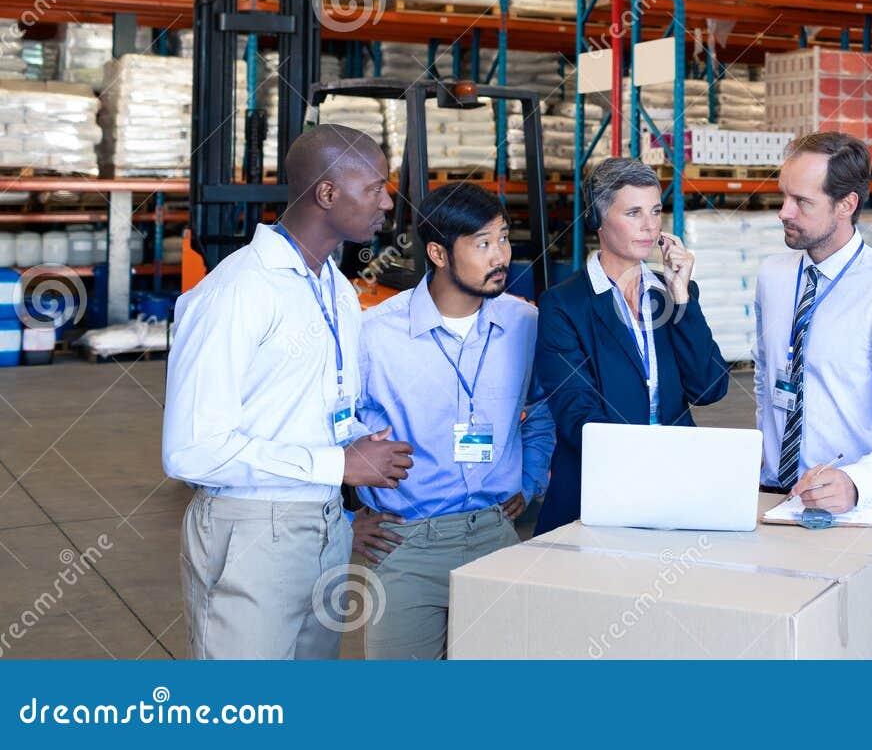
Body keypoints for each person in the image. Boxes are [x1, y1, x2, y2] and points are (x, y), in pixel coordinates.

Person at [163, 124, 414, 660]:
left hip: (322, 526)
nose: (387, 203)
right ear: (327, 194)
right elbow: (192, 449)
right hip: (252, 531)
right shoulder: (238, 292)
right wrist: (339, 465)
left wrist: (346, 510)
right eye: (374, 189)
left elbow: (314, 415)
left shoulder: (338, 288)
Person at [350, 182, 554, 660]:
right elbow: (332, 428)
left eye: (504, 238)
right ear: (439, 252)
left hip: (497, 535)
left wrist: (528, 480)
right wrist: (344, 521)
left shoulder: (523, 324)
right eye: (482, 244)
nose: (500, 255)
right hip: (405, 546)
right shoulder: (376, 335)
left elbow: (541, 411)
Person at [533, 156, 728, 533]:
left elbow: (710, 387)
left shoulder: (671, 295)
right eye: (634, 212)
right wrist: (643, 475)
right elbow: (577, 414)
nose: (650, 226)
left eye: (655, 211)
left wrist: (681, 296)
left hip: (678, 488)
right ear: (599, 220)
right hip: (599, 491)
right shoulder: (565, 305)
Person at [752, 131, 872, 513]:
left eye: (802, 201)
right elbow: (765, 374)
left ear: (846, 204)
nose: (784, 211)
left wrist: (858, 482)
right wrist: (763, 449)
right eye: (784, 195)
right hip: (769, 494)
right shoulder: (772, 276)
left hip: (842, 504)